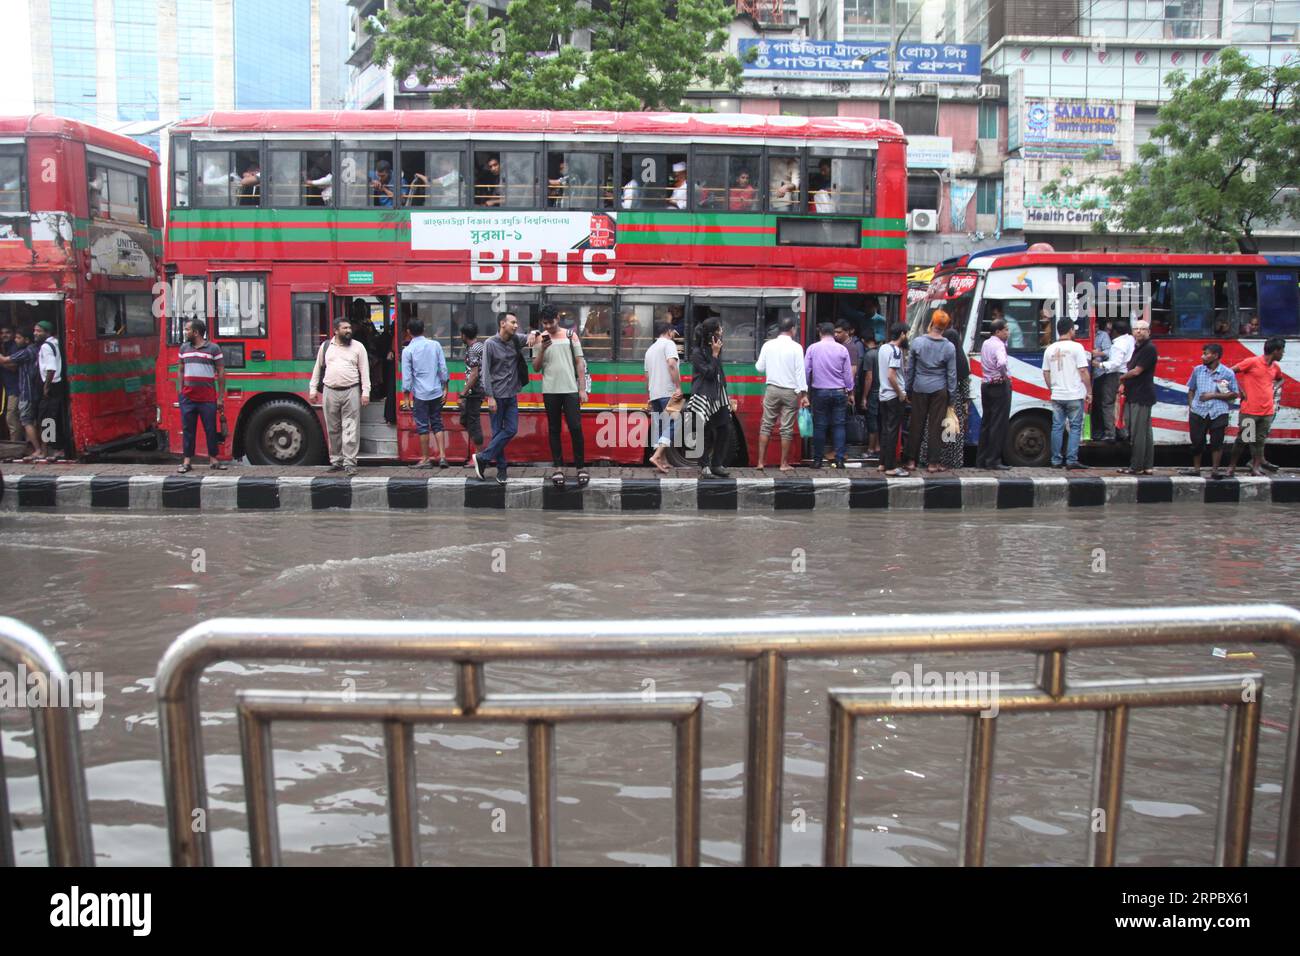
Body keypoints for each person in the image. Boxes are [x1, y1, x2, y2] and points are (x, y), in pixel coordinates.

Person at [474, 312, 539, 484]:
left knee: (511, 430)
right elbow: (485, 372)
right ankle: (501, 470)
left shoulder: (516, 339)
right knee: (497, 433)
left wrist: (534, 333)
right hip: (496, 395)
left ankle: (483, 458)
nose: (516, 326)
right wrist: (490, 397)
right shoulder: (490, 344)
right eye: (513, 323)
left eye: (516, 323)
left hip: (511, 394)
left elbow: (536, 336)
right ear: (502, 324)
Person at [533, 304, 590, 487]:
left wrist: (582, 389)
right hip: (550, 390)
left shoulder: (570, 335)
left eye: (551, 322)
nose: (548, 326)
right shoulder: (539, 338)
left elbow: (579, 363)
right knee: (554, 429)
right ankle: (558, 467)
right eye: (545, 323)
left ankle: (580, 467)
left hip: (571, 389)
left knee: (575, 427)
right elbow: (535, 367)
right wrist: (542, 348)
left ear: (558, 318)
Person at [308, 317, 371, 477]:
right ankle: (336, 461)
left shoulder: (358, 347)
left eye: (349, 328)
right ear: (336, 330)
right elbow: (317, 368)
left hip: (351, 390)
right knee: (333, 428)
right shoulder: (326, 346)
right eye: (344, 328)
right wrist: (313, 389)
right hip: (330, 391)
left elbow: (364, 371)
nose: (348, 330)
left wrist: (366, 392)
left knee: (350, 427)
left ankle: (349, 462)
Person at [905, 311, 958, 474]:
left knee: (916, 424)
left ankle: (911, 461)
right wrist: (952, 397)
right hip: (939, 390)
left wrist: (908, 389)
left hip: (919, 388)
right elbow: (951, 374)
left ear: (931, 324)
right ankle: (933, 463)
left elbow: (911, 369)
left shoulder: (917, 343)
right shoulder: (949, 347)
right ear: (945, 327)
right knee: (936, 427)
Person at [754, 315, 809, 472]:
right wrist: (804, 395)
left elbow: (759, 367)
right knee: (786, 428)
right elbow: (800, 373)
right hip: (790, 392)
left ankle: (760, 463)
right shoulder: (797, 348)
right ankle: (783, 464)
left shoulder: (768, 345)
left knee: (766, 426)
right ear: (792, 329)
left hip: (772, 389)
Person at [1227, 336, 1286, 478]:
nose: (1283, 354)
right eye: (1282, 351)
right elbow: (1229, 372)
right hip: (1250, 410)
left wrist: (1274, 387)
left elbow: (1280, 379)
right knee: (1243, 440)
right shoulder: (1252, 362)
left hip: (1267, 411)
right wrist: (1239, 391)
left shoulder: (1275, 367)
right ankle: (1231, 467)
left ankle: (1255, 468)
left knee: (1259, 442)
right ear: (1276, 351)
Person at [175, 318, 226, 473]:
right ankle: (187, 461)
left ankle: (213, 459)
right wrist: (180, 392)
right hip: (188, 398)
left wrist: (220, 397)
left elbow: (221, 372)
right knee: (188, 429)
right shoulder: (184, 348)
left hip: (208, 398)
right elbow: (180, 370)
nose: (185, 332)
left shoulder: (213, 349)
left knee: (210, 428)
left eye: (187, 329)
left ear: (196, 332)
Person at [1182, 343, 1239, 479]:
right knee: (1197, 441)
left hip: (1219, 411)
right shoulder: (1198, 370)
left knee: (1217, 442)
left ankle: (1215, 470)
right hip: (1199, 411)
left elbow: (1234, 394)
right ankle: (1196, 469)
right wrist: (1192, 405)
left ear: (1215, 356)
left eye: (1206, 354)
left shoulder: (1227, 372)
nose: (1203, 356)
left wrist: (1213, 395)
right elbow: (1191, 389)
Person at [1042, 317, 1092, 471]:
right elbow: (1083, 371)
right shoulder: (1077, 347)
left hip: (1057, 395)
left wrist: (1053, 389)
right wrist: (1089, 391)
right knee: (1075, 427)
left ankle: (1056, 460)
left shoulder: (1049, 349)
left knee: (1057, 427)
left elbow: (1046, 372)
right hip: (1074, 395)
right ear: (1071, 330)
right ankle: (1071, 460)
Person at [687, 318, 735, 478]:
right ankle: (704, 466)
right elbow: (709, 373)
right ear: (712, 332)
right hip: (703, 394)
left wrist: (725, 393)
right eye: (719, 329)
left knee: (725, 428)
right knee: (704, 431)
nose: (722, 331)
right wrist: (714, 354)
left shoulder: (716, 347)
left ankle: (716, 464)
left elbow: (719, 373)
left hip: (718, 394)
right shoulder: (697, 353)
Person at [401, 317, 450, 469]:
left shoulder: (408, 350)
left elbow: (407, 376)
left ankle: (425, 459)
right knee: (437, 423)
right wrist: (445, 388)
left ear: (408, 332)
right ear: (424, 330)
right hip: (436, 391)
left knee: (422, 425)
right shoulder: (435, 345)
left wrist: (406, 397)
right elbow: (442, 369)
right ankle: (442, 457)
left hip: (421, 394)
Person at [804, 321, 853, 469]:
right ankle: (839, 460)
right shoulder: (842, 349)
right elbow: (848, 374)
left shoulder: (813, 348)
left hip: (820, 392)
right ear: (833, 334)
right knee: (839, 426)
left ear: (820, 333)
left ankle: (818, 460)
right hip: (839, 392)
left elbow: (806, 370)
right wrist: (850, 391)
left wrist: (804, 391)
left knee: (820, 426)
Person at [921, 327, 971, 471]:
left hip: (937, 398)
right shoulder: (961, 359)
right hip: (954, 403)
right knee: (949, 432)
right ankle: (947, 462)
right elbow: (965, 385)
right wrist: (965, 403)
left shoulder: (940, 355)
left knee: (934, 428)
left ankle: (930, 459)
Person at [1117, 319, 1157, 475]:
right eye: (1136, 329)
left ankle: (1136, 466)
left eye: (1142, 329)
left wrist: (1122, 378)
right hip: (1139, 393)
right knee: (1145, 433)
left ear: (1149, 332)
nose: (1139, 331)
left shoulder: (1149, 349)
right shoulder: (1138, 348)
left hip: (1141, 395)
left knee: (1138, 433)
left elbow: (1136, 371)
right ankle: (1147, 466)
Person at [645, 320, 682, 474]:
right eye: (673, 332)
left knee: (661, 426)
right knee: (676, 422)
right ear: (668, 331)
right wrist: (679, 387)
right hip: (669, 392)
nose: (674, 335)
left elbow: (646, 375)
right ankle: (657, 455)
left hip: (654, 393)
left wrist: (650, 393)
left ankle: (663, 460)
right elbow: (672, 364)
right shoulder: (669, 344)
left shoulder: (650, 350)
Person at [0, 327, 44, 460]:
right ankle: (44, 449)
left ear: (26, 340)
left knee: (26, 420)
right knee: (42, 420)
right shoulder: (36, 349)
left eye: (18, 337)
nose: (15, 339)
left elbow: (6, 361)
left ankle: (37, 450)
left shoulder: (27, 351)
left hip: (28, 391)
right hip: (38, 391)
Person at [976, 319, 1012, 470]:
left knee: (987, 422)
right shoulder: (999, 345)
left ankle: (981, 459)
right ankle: (993, 460)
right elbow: (1002, 363)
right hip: (999, 385)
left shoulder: (986, 343)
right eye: (1005, 330)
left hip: (986, 385)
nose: (1008, 333)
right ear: (998, 332)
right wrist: (1004, 376)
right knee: (998, 424)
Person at [877, 323, 910, 477]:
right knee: (892, 431)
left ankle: (882, 463)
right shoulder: (896, 351)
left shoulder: (883, 348)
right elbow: (891, 375)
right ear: (902, 334)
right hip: (893, 396)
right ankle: (890, 467)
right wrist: (901, 393)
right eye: (907, 334)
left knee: (885, 430)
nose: (907, 337)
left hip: (883, 395)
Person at [30, 320, 65, 458]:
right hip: (56, 384)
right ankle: (51, 449)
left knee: (46, 419)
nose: (35, 333)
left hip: (51, 385)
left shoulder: (46, 346)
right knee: (52, 417)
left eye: (39, 331)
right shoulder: (56, 342)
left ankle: (54, 448)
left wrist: (46, 387)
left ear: (47, 332)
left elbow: (51, 368)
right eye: (35, 330)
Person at [1094, 318, 1132, 442]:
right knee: (1121, 404)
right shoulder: (1130, 339)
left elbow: (1115, 363)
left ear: (1115, 331)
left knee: (1107, 403)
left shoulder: (1118, 345)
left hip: (1115, 375)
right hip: (1126, 374)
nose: (1109, 332)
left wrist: (1099, 365)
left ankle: (1110, 433)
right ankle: (1123, 432)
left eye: (1111, 330)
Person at [457, 322, 486, 462]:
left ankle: (479, 457)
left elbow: (474, 374)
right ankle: (478, 453)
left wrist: (463, 392)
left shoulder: (473, 349)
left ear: (464, 335)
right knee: (466, 419)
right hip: (477, 390)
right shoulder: (479, 346)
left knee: (473, 422)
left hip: (474, 391)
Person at [1089, 316, 1114, 437]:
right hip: (1086, 375)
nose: (1095, 328)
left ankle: (1099, 430)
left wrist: (1097, 353)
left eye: (1097, 326)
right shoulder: (1084, 334)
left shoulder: (1103, 335)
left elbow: (1109, 352)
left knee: (1098, 403)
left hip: (1099, 374)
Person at [862, 332, 880, 456]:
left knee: (872, 420)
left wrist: (864, 397)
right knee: (879, 419)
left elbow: (869, 377)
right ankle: (878, 446)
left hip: (873, 392)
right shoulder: (881, 352)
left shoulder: (869, 355)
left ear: (863, 340)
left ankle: (870, 449)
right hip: (883, 392)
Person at [0, 324, 19, 442]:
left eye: (7, 332)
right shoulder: (4, 347)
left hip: (16, 388)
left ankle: (15, 445)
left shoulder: (15, 347)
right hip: (7, 388)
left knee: (12, 417)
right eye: (2, 333)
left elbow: (14, 368)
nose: (4, 335)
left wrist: (1, 360)